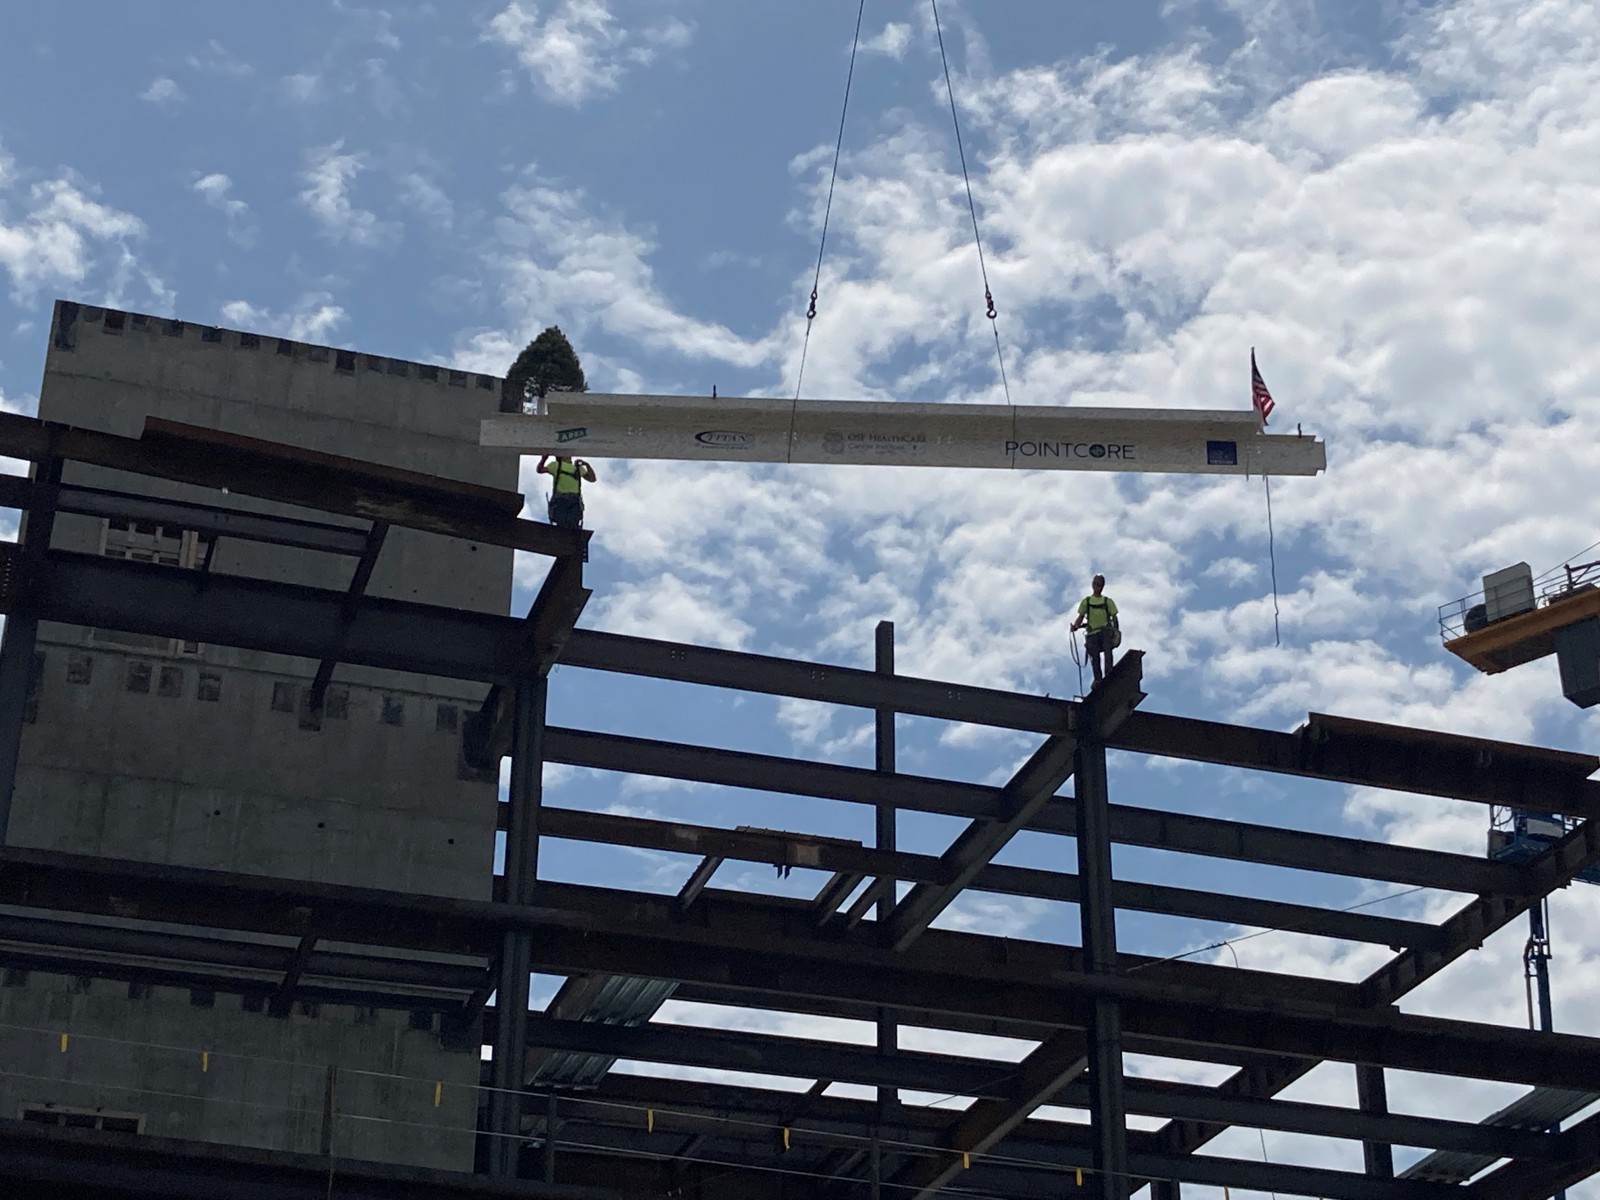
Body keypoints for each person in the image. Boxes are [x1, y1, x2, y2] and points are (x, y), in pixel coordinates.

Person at [1070, 574, 1119, 686]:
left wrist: (1116, 632)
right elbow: (1081, 616)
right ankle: (1098, 679)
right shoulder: (1087, 601)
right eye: (1096, 584)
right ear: (1093, 585)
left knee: (1108, 653)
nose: (1098, 587)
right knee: (1095, 657)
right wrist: (1075, 626)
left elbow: (1114, 617)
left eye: (1100, 585)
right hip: (1092, 633)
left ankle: (1109, 674)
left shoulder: (1107, 601)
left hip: (1105, 632)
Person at [537, 454, 596, 530]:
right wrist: (543, 459)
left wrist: (586, 465)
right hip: (561, 500)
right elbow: (540, 470)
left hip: (573, 501)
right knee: (562, 526)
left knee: (572, 526)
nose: (569, 455)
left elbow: (592, 478)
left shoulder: (577, 468)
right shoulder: (556, 465)